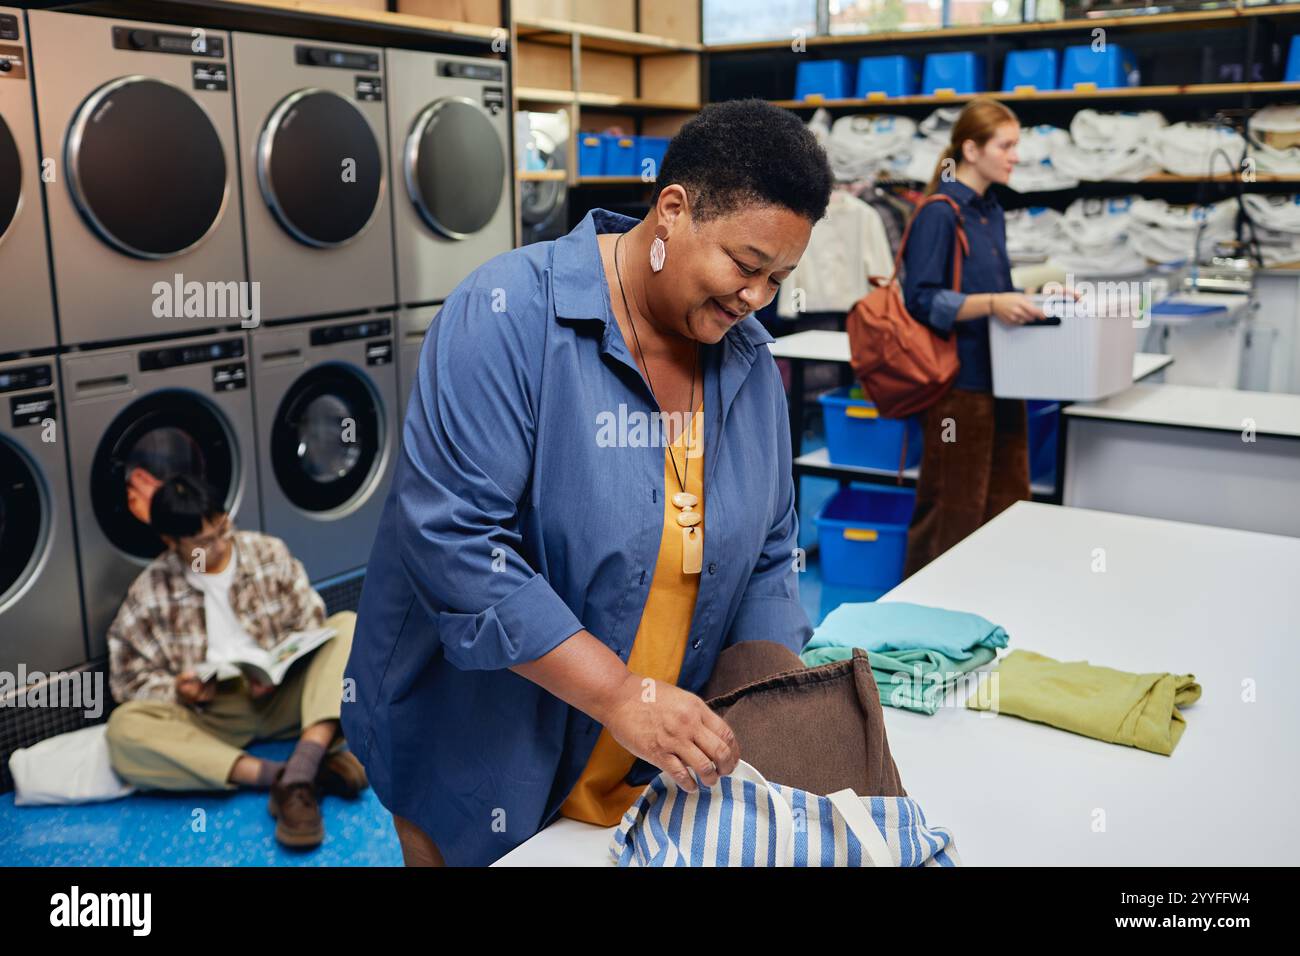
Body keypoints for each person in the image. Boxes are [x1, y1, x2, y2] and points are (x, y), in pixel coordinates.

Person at [342, 98, 834, 866]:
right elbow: (458, 543)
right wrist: (617, 695)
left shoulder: (748, 364)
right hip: (487, 740)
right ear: (673, 209)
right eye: (745, 265)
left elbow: (772, 550)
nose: (756, 299)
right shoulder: (507, 316)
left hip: (650, 757)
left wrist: (776, 705)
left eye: (779, 277)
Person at [104, 473, 368, 849]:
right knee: (123, 731)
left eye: (222, 528)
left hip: (282, 696)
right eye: (203, 541)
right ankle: (289, 777)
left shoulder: (265, 553)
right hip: (213, 713)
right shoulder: (152, 590)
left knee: (347, 627)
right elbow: (127, 678)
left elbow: (311, 619)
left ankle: (303, 762)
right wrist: (179, 690)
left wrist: (282, 664)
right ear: (171, 542)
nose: (219, 543)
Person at [901, 97, 1048, 576]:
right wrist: (994, 305)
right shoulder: (939, 213)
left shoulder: (991, 211)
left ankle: (990, 604)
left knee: (1008, 502)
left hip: (1005, 377)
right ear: (971, 148)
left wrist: (1036, 292)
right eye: (1006, 145)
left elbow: (993, 289)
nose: (1015, 156)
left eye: (1016, 145)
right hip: (958, 386)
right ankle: (924, 616)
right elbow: (920, 299)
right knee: (953, 509)